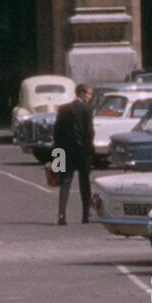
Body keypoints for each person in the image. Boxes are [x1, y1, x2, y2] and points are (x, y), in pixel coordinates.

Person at [52, 83, 95, 225]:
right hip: (82, 151)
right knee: (84, 182)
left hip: (64, 151)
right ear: (82, 94)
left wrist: (56, 158)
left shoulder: (63, 109)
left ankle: (61, 214)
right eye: (89, 94)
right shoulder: (87, 109)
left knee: (65, 182)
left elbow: (56, 133)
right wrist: (90, 150)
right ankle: (86, 215)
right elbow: (89, 132)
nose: (90, 97)